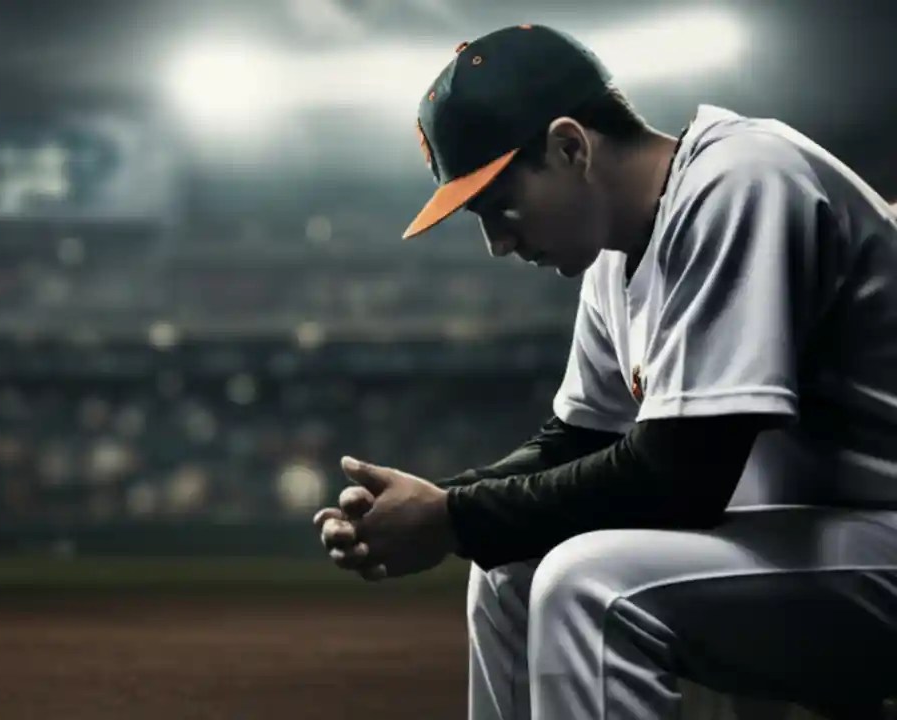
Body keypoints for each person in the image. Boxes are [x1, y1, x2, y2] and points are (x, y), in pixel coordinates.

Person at [313, 23, 897, 720]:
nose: (496, 244)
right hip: (829, 543)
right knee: (509, 574)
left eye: (498, 207)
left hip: (877, 533)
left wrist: (450, 518)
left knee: (588, 583)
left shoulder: (742, 177)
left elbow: (682, 477)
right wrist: (436, 503)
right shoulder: (614, 259)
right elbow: (577, 438)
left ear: (570, 146)